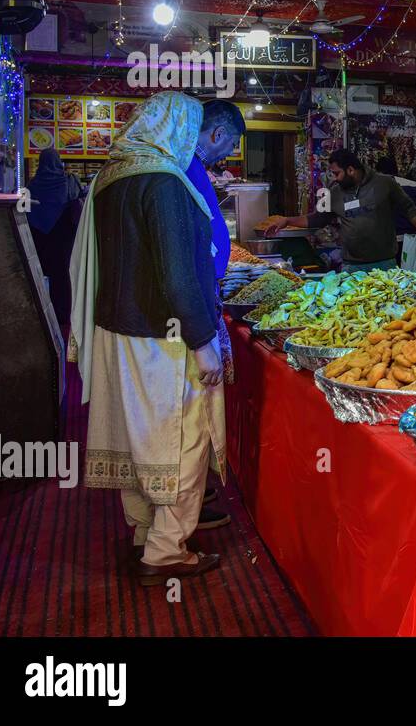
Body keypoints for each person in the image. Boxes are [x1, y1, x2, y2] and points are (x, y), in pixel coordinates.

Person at [69, 92, 226, 585]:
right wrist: (203, 340)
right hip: (163, 339)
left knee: (136, 435)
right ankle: (164, 550)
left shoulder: (109, 179)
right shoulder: (163, 182)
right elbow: (178, 275)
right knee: (182, 437)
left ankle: (142, 529)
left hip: (115, 332)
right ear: (176, 129)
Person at [183, 98, 247, 527]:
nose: (229, 157)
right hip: (192, 309)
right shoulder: (184, 167)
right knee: (187, 419)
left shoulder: (191, 166)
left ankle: (190, 498)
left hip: (204, 296)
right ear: (218, 134)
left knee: (191, 419)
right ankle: (181, 511)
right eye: (231, 146)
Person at [265, 148, 416, 271]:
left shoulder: (384, 183)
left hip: (385, 263)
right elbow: (317, 218)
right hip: (351, 266)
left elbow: (409, 207)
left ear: (351, 170)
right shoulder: (335, 192)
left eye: (336, 173)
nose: (334, 178)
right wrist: (287, 220)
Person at [26, 148, 84, 337]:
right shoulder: (69, 181)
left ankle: (42, 313)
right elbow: (79, 200)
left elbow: (26, 212)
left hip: (39, 240)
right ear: (58, 162)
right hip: (63, 239)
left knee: (40, 276)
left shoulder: (31, 185)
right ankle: (63, 316)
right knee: (63, 277)